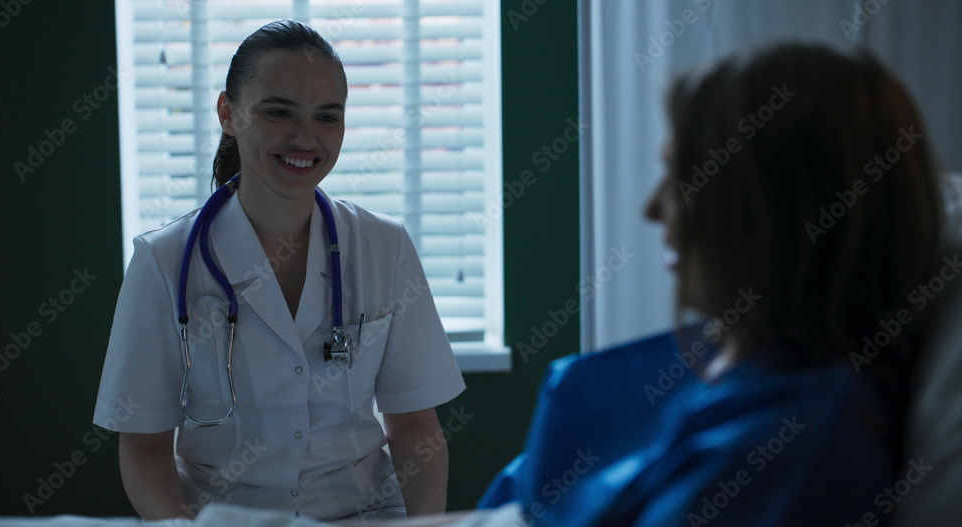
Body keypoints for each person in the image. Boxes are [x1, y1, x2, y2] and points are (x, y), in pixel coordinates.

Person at [478, 42, 950, 526]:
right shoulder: (709, 364)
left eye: (684, 178)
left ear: (773, 213)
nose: (653, 209)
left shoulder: (790, 445)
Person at [93, 20, 466, 522]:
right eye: (278, 111)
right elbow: (144, 446)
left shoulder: (385, 246)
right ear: (229, 114)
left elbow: (416, 423)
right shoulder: (163, 262)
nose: (305, 137)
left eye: (327, 117)